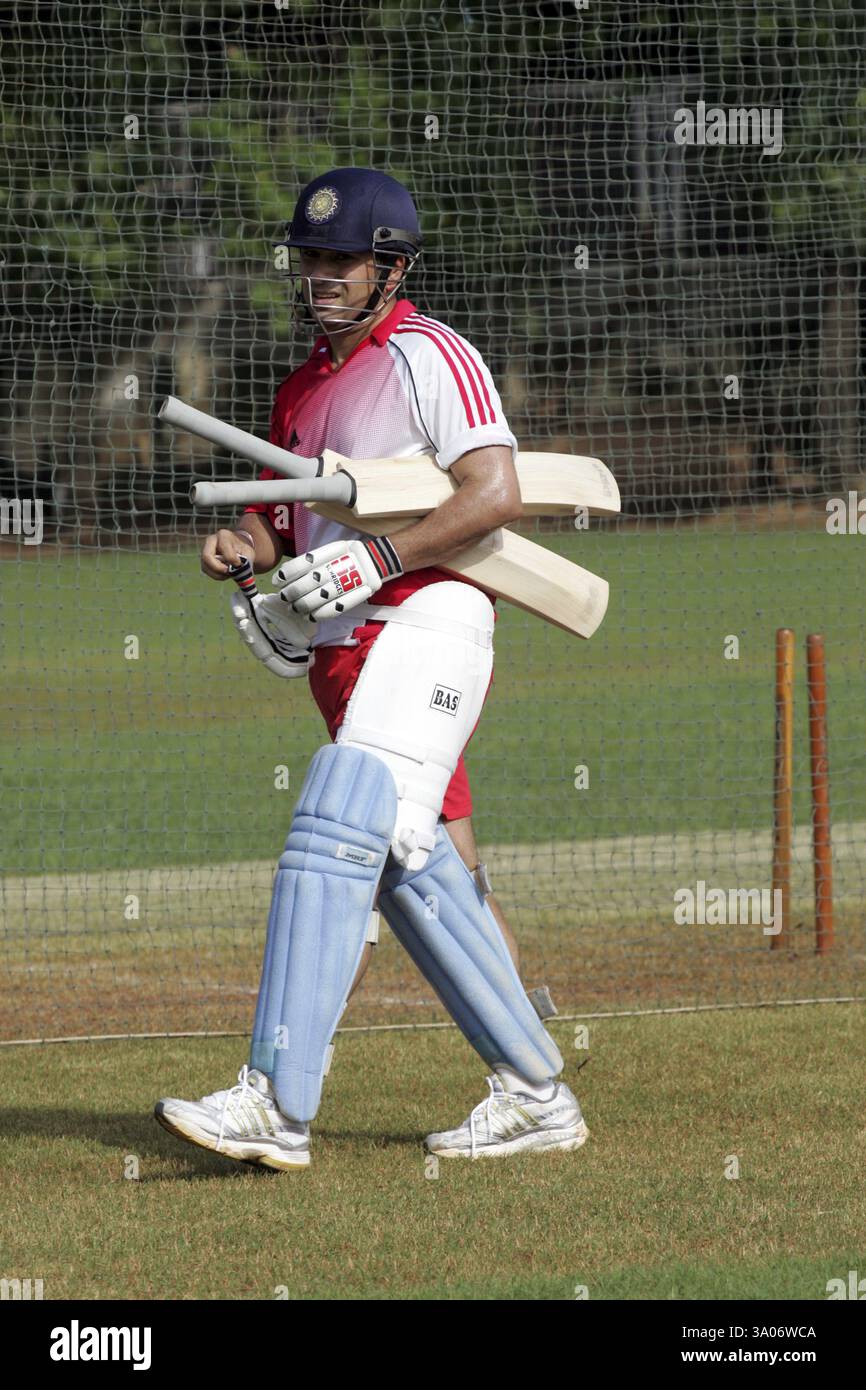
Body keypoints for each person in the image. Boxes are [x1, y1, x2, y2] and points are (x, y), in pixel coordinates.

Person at [154, 167, 588, 1166]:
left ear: (391, 267)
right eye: (311, 258)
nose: (322, 275)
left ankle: (274, 1100)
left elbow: (493, 492)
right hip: (345, 652)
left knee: (337, 831)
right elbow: (283, 522)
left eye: (342, 259)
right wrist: (243, 549)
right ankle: (533, 1092)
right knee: (421, 869)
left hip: (426, 619)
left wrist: (381, 557)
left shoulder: (430, 354)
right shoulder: (300, 387)